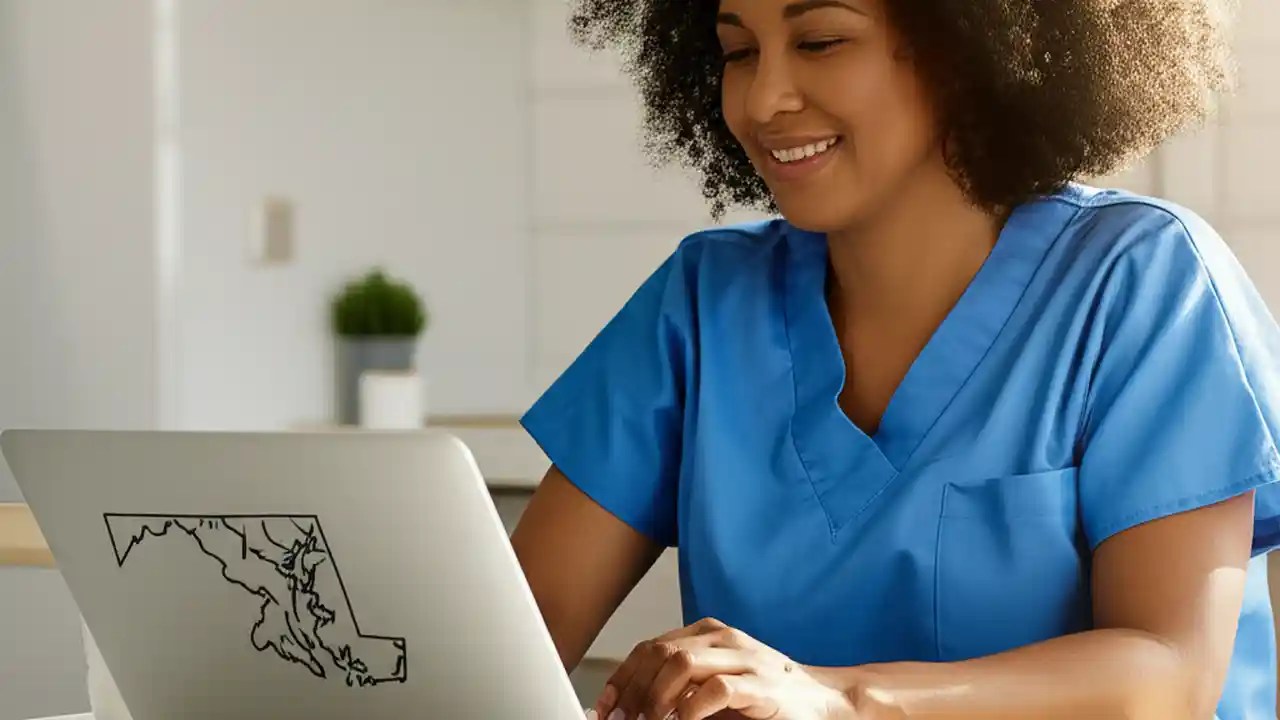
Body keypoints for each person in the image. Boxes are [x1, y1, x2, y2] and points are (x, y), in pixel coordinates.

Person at [510, 1, 1280, 718]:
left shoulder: (1141, 276)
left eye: (820, 41)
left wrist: (835, 698)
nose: (763, 100)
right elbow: (500, 643)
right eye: (739, 51)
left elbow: (1170, 676)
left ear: (965, 47)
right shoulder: (704, 301)